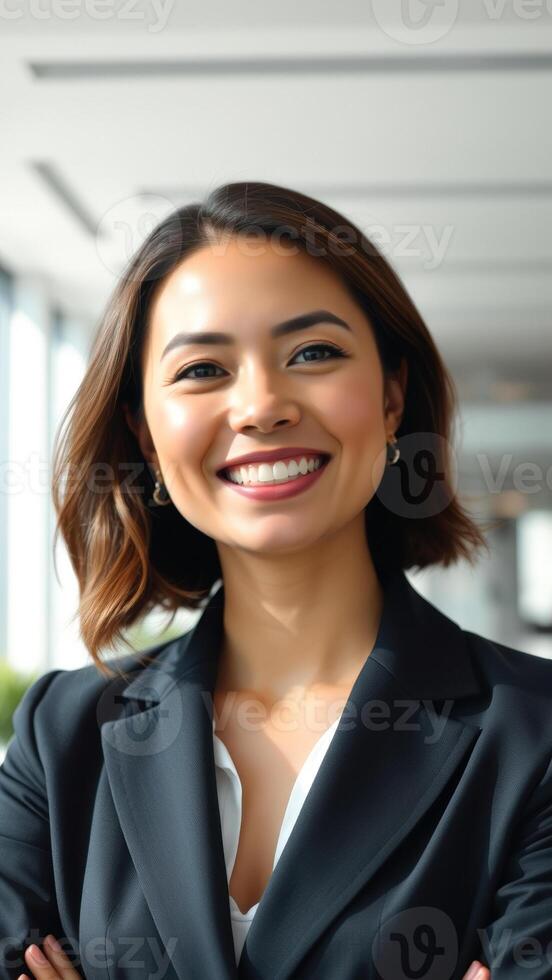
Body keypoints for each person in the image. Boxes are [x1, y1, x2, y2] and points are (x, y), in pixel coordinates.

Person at [1, 181, 550, 980]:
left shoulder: (534, 738)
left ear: (393, 395)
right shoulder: (62, 736)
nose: (261, 406)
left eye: (314, 353)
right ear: (145, 434)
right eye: (202, 369)